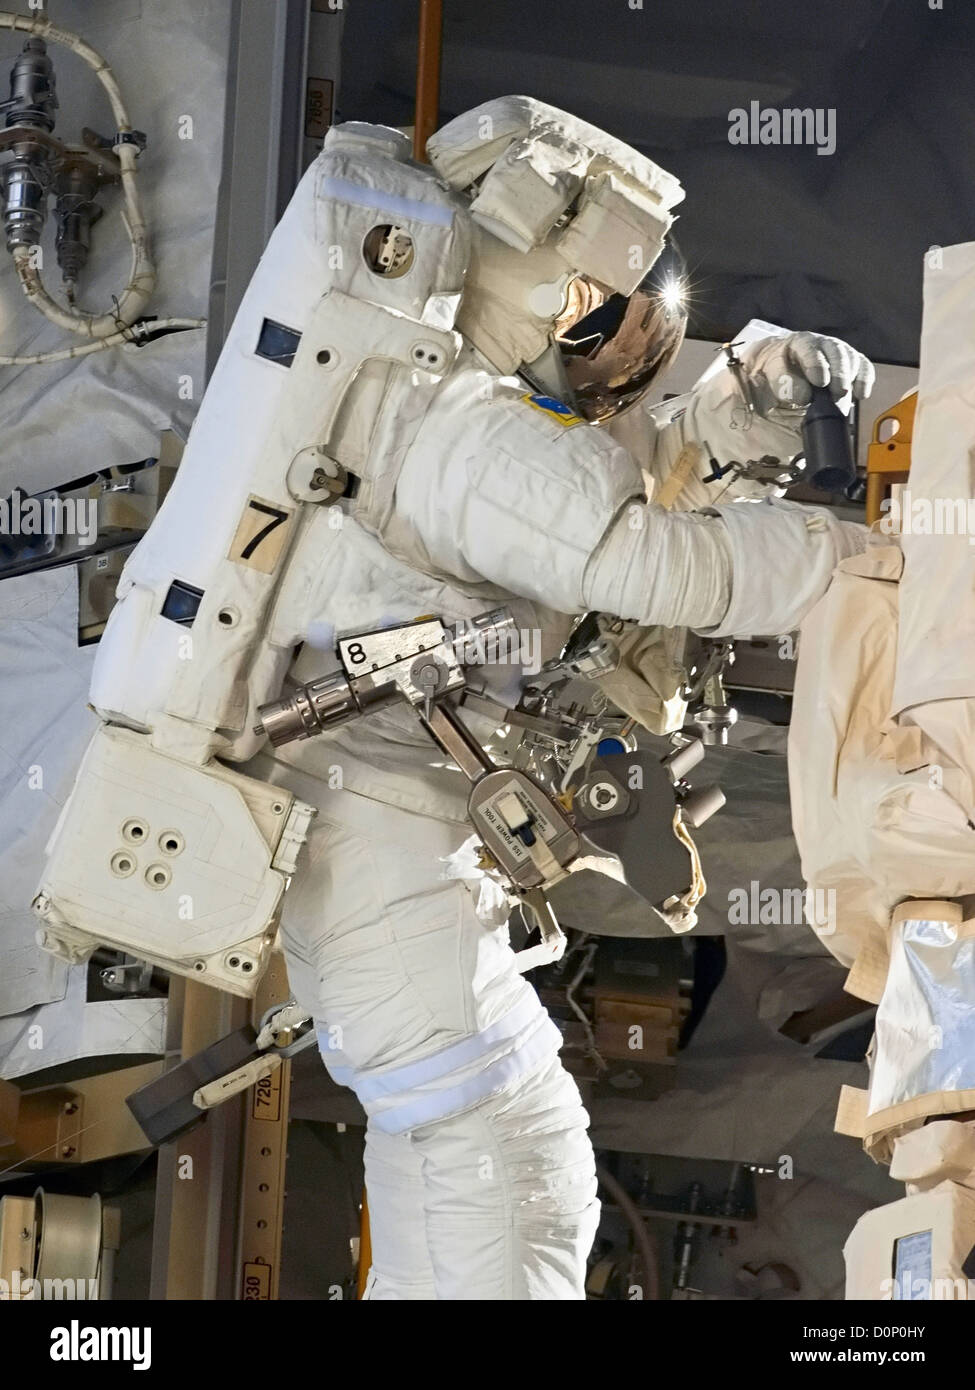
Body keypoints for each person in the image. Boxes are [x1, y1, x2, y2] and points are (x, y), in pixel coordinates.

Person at [79, 97, 873, 1299]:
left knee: (490, 1150)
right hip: (380, 859)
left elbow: (613, 488)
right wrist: (865, 562)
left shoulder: (447, 411)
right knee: (493, 1157)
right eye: (601, 326)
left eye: (643, 335)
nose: (619, 362)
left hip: (382, 851)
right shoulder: (450, 430)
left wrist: (742, 403)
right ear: (537, 292)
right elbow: (658, 556)